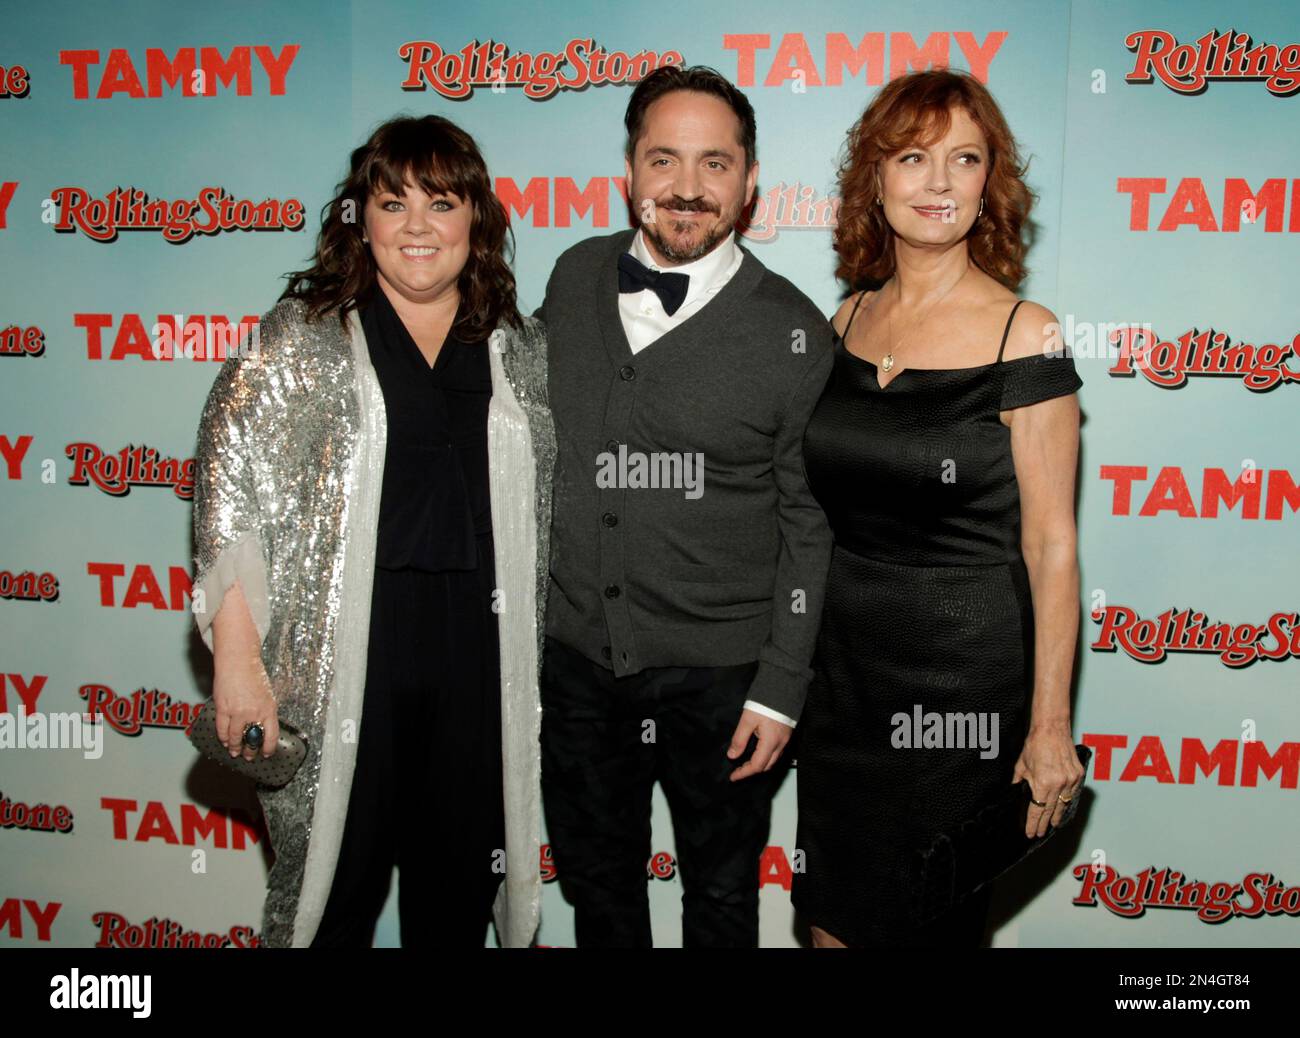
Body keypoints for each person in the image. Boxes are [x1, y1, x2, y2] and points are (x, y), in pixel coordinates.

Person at [190, 114, 555, 948]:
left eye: (441, 202)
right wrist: (239, 667)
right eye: (393, 204)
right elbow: (229, 500)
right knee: (331, 897)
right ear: (361, 220)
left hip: (480, 665)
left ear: (478, 221)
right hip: (344, 668)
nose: (418, 227)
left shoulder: (518, 349)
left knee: (459, 900)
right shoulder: (303, 340)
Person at [534, 65, 834, 948]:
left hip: (725, 679)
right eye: (664, 159)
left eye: (715, 163)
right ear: (630, 169)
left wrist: (781, 690)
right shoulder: (573, 275)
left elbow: (808, 525)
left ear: (748, 183)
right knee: (600, 894)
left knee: (721, 900)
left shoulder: (793, 331)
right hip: (581, 664)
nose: (688, 188)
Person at [792, 69, 1086, 947]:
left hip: (963, 686)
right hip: (842, 681)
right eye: (913, 157)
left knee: (929, 927)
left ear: (987, 182)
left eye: (965, 159)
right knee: (829, 927)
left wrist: (1048, 727)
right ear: (874, 180)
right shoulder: (845, 320)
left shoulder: (1024, 334)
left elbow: (1053, 547)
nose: (938, 183)